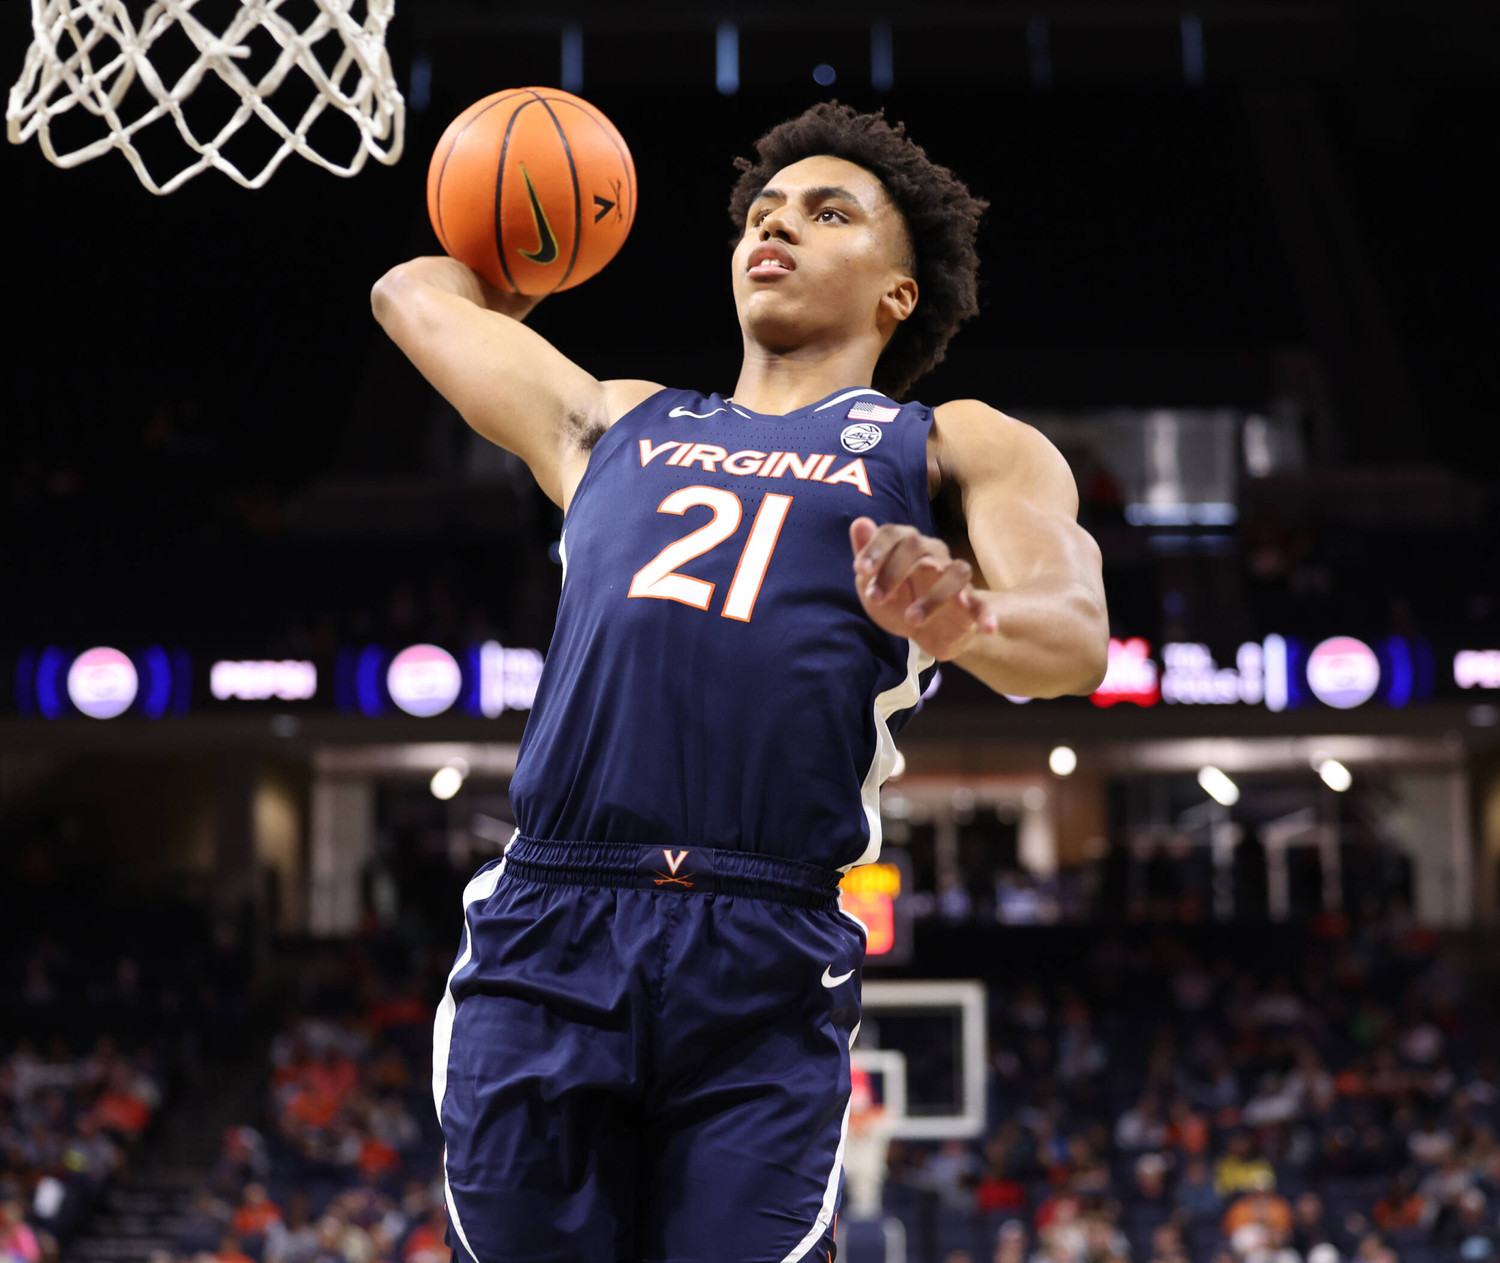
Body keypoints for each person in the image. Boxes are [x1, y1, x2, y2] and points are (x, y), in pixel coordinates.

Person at [373, 101, 1108, 1262]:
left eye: (828, 213)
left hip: (765, 940)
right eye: (762, 214)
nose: (778, 230)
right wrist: (512, 268)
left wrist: (966, 615)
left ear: (898, 293)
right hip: (552, 924)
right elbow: (412, 293)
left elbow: (1073, 640)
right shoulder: (612, 419)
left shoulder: (950, 443)